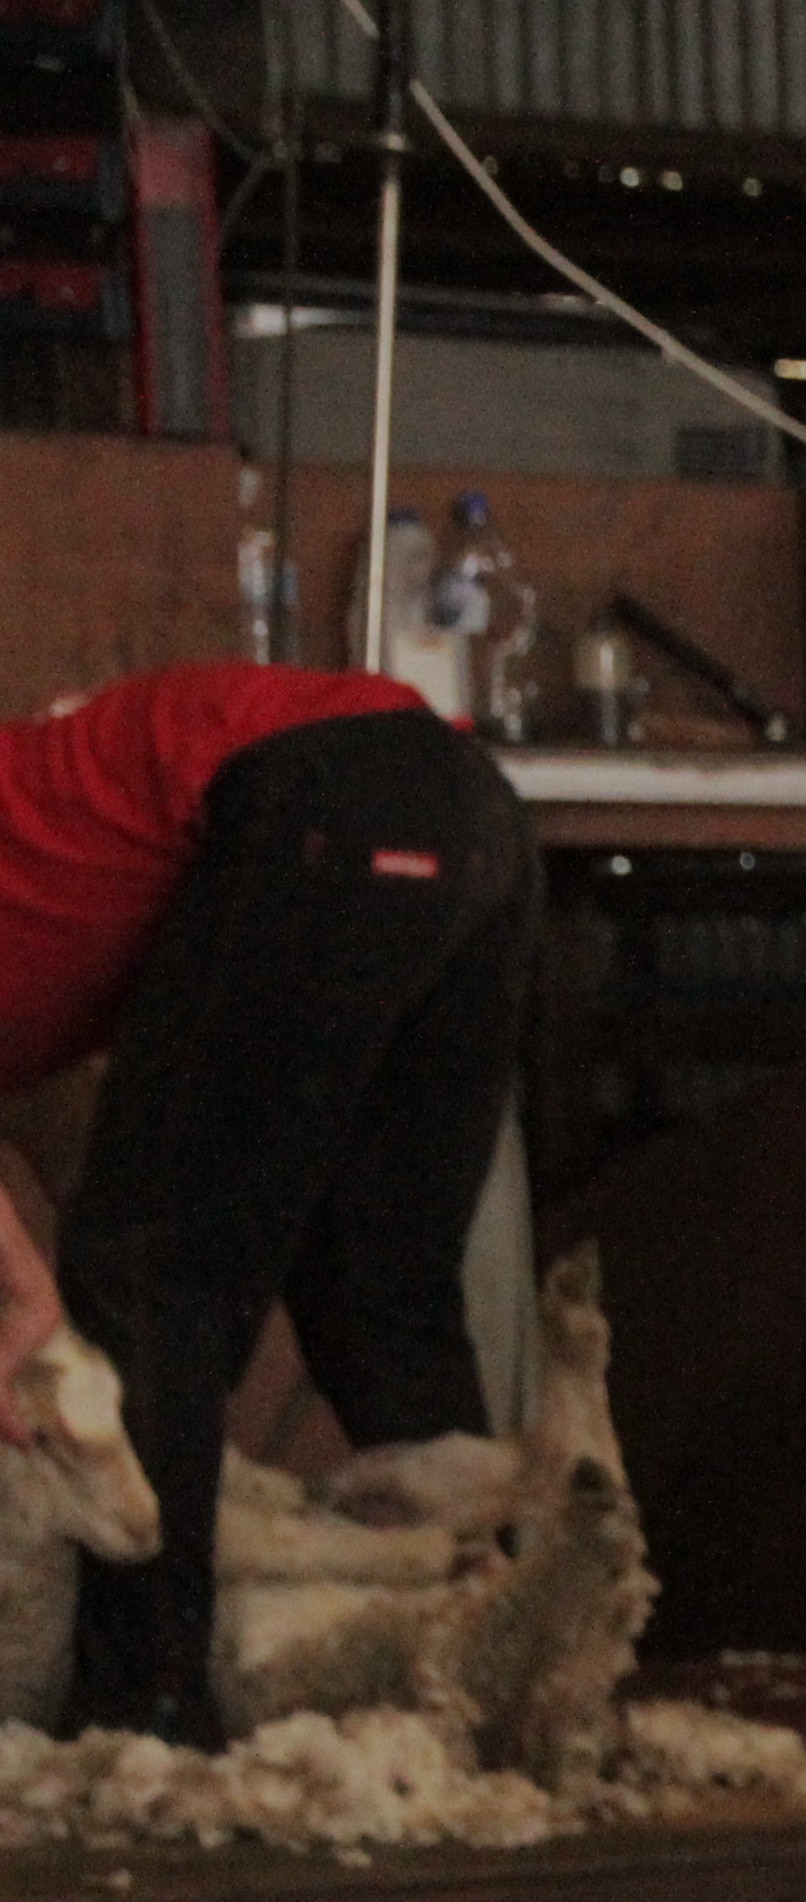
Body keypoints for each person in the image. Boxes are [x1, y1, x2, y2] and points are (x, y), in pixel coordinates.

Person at [0, 662, 538, 1742]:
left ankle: (137, 1719)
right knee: (380, 1295)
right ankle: (509, 1672)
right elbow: (87, 1172)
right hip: (469, 808)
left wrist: (33, 1309)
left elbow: (85, 1264)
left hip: (319, 802)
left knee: (147, 1281)